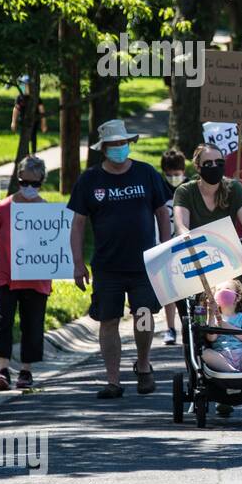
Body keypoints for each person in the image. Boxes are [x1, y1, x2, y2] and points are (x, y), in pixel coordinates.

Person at [69, 120, 171, 398]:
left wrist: (165, 248)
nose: (119, 149)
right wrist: (78, 263)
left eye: (122, 143)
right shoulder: (90, 180)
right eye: (113, 145)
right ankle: (113, 380)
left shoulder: (146, 173)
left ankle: (144, 364)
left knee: (143, 315)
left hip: (143, 264)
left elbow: (163, 212)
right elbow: (78, 224)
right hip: (107, 267)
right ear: (103, 149)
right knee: (109, 320)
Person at [0, 156, 53, 391]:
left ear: (42, 182)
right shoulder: (4, 208)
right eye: (24, 182)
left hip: (35, 277)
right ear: (18, 180)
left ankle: (26, 371)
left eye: (34, 184)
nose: (29, 188)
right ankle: (2, 369)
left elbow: (55, 246)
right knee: (3, 321)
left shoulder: (47, 212)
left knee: (33, 324)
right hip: (4, 275)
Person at [172, 144, 242, 236]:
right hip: (196, 248)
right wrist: (191, 242)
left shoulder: (234, 188)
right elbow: (180, 227)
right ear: (198, 167)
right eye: (208, 164)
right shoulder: (185, 192)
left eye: (219, 163)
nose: (214, 166)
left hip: (228, 248)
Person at [159, 148, 188, 345]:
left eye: (176, 174)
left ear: (183, 172)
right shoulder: (160, 189)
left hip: (185, 243)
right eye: (169, 174)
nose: (173, 178)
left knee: (187, 290)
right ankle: (170, 327)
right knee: (168, 289)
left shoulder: (189, 189)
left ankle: (188, 326)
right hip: (165, 243)